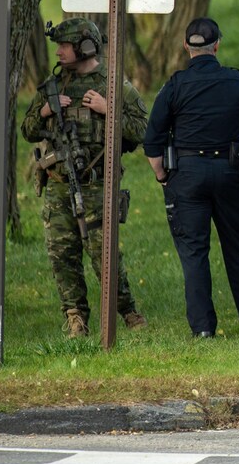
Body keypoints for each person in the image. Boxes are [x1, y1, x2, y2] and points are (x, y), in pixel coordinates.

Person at [143, 17, 239, 338]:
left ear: (187, 46)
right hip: (229, 173)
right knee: (238, 247)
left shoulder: (174, 86)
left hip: (186, 176)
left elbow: (153, 143)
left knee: (194, 253)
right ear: (217, 45)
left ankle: (203, 330)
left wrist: (163, 177)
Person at [22, 17, 149, 338]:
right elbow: (27, 129)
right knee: (62, 254)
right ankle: (75, 316)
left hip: (96, 185)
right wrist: (46, 113)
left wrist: (109, 110)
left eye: (64, 46)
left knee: (103, 252)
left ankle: (127, 310)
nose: (59, 53)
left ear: (85, 47)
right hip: (59, 185)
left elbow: (145, 131)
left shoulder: (113, 84)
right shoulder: (54, 86)